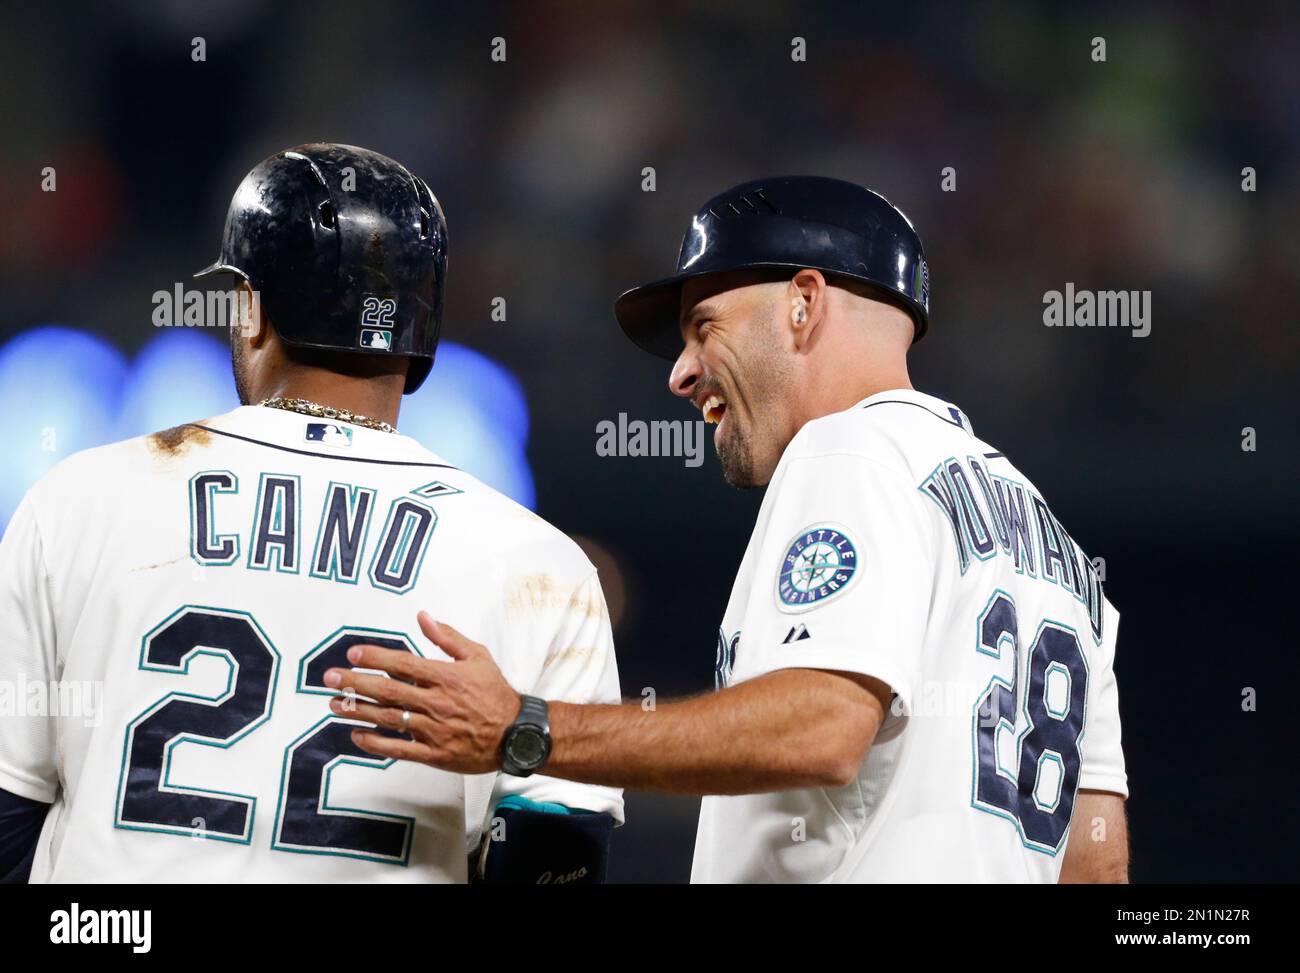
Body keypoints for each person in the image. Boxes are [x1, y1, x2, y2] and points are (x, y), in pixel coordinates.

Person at [326, 176, 1129, 883]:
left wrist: (525, 728)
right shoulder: (1056, 548)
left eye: (703, 325)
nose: (679, 372)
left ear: (804, 303)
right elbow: (1095, 863)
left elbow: (822, 725)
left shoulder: (850, 445)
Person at [0, 143, 622, 883]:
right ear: (420, 338)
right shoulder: (539, 566)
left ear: (252, 315)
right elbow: (558, 858)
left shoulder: (79, 499)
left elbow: (10, 816)